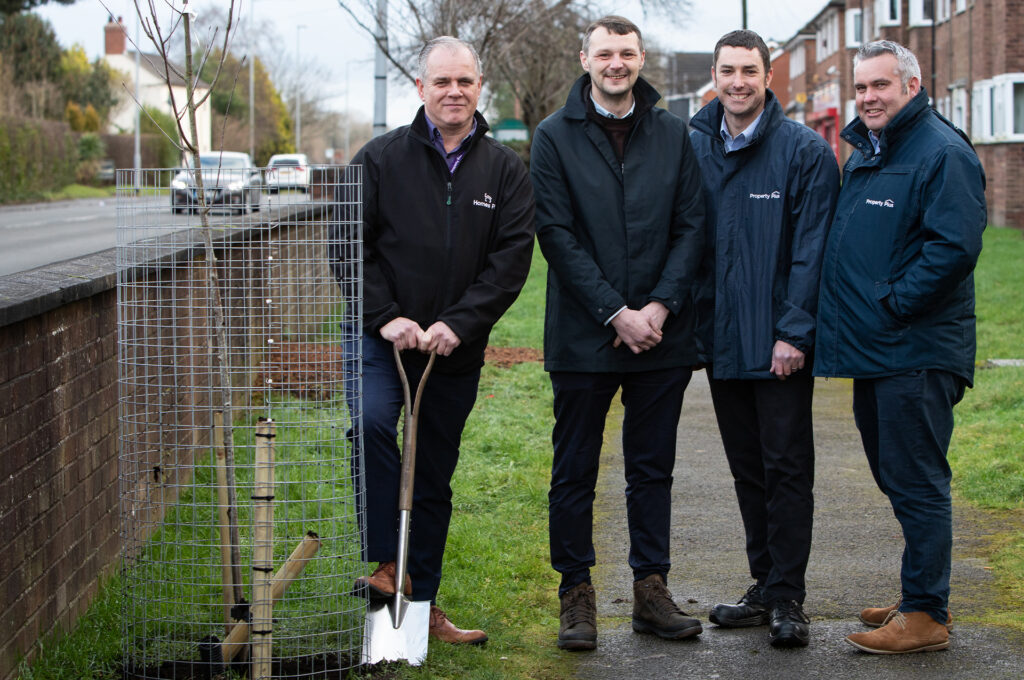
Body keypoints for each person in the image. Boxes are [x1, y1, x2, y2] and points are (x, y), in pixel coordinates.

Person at [335, 36, 535, 645]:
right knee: (371, 424)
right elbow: (348, 245)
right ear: (420, 88)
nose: (454, 92)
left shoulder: (504, 170)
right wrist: (386, 316)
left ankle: (419, 604)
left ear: (480, 89)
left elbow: (510, 260)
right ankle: (388, 566)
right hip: (382, 338)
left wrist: (460, 323)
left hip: (453, 349)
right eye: (441, 82)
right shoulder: (378, 159)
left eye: (465, 82)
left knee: (433, 472)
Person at [530, 15, 706, 651]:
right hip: (584, 338)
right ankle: (575, 594)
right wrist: (615, 312)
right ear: (585, 59)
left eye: (626, 53)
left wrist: (658, 307)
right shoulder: (552, 137)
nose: (616, 64)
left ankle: (651, 593)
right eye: (604, 53)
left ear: (639, 59)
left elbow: (693, 226)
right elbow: (556, 234)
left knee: (651, 469)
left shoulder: (673, 134)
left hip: (663, 339)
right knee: (574, 469)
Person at [814, 40, 986, 655]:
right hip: (878, 349)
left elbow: (954, 247)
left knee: (916, 480)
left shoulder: (940, 152)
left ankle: (926, 615)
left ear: (911, 86)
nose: (867, 97)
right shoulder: (875, 149)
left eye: (880, 86)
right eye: (860, 88)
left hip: (913, 349)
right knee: (896, 475)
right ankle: (921, 591)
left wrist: (893, 302)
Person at [688, 30, 839, 648]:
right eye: (728, 71)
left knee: (786, 468)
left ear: (767, 76)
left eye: (749, 70)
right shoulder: (693, 146)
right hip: (721, 342)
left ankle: (789, 598)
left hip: (778, 345)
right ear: (715, 77)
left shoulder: (803, 151)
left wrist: (794, 332)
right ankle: (764, 584)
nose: (738, 82)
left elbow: (813, 251)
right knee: (747, 470)